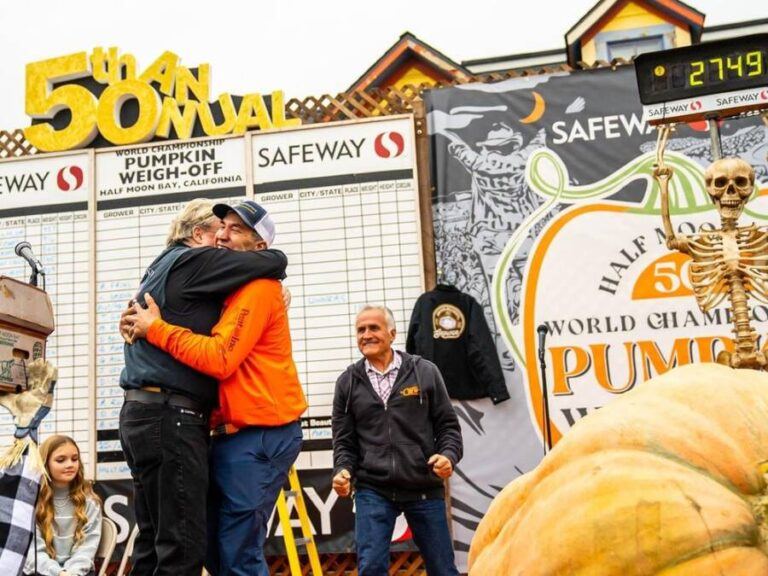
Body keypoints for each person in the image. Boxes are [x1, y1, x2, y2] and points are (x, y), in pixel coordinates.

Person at [126, 200, 307, 576]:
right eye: (221, 226)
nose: (224, 234)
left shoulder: (254, 288)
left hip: (258, 432)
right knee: (198, 544)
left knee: (225, 550)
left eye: (235, 229)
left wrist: (155, 329)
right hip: (210, 429)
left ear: (259, 248)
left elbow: (220, 357)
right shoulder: (214, 281)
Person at [331, 305, 463, 576]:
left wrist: (448, 456)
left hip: (423, 485)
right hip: (373, 489)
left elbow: (449, 427)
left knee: (443, 569)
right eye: (360, 330)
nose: (366, 335)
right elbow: (344, 442)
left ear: (392, 334)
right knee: (371, 569)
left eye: (373, 328)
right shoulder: (347, 382)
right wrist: (342, 471)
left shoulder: (425, 372)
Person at [24, 435, 101, 576]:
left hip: (78, 573)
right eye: (61, 460)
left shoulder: (89, 501)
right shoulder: (31, 501)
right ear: (45, 463)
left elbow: (87, 548)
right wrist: (58, 573)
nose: (70, 464)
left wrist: (71, 573)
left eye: (75, 459)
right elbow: (32, 551)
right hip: (41, 571)